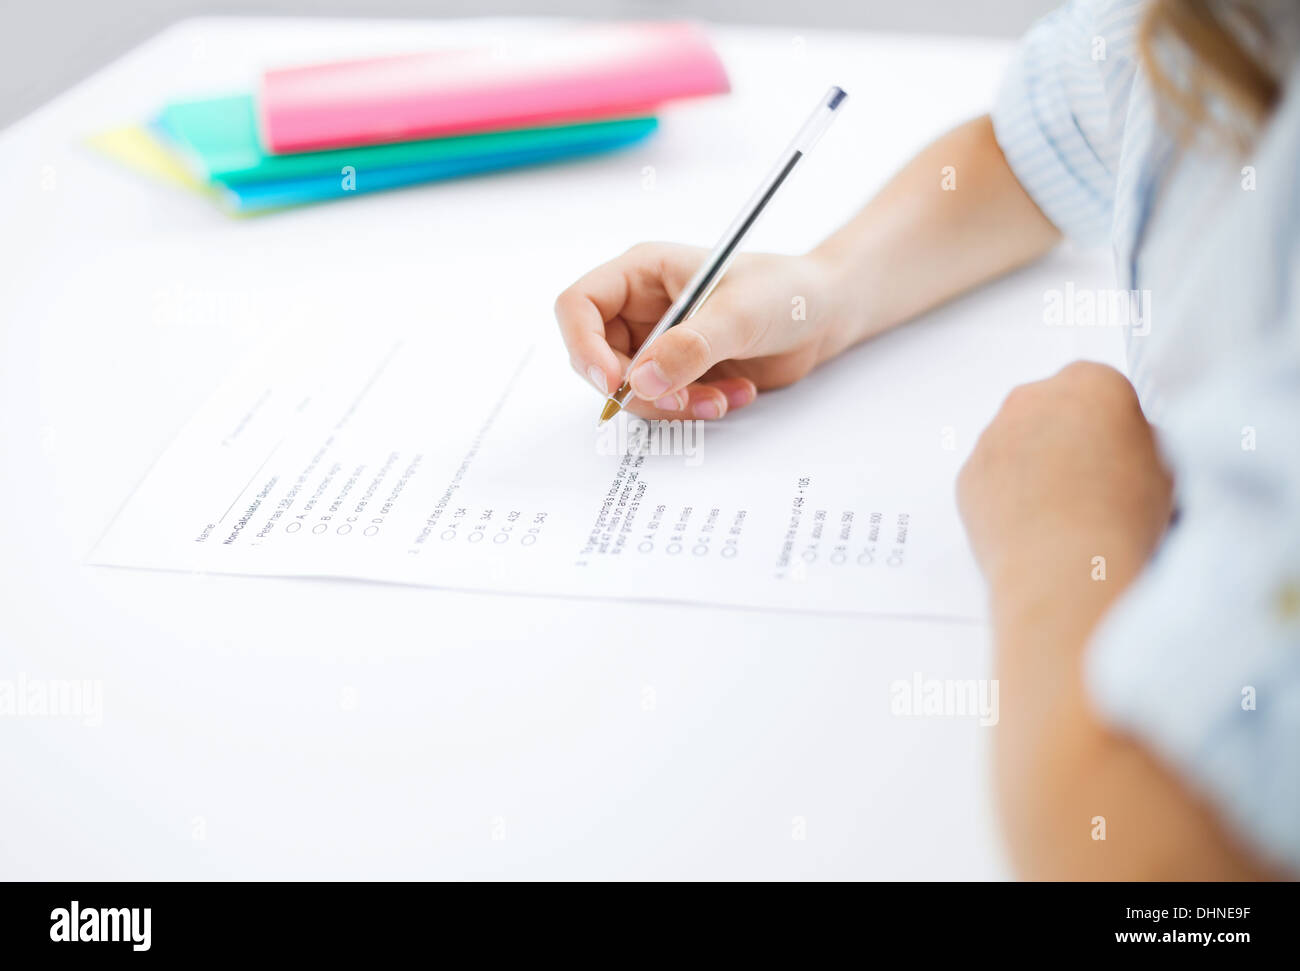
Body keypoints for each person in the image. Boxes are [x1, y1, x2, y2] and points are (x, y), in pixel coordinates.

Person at [554, 0, 1300, 879]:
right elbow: (1027, 158)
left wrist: (1063, 537)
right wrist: (827, 291)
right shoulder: (1199, 22)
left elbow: (1167, 888)